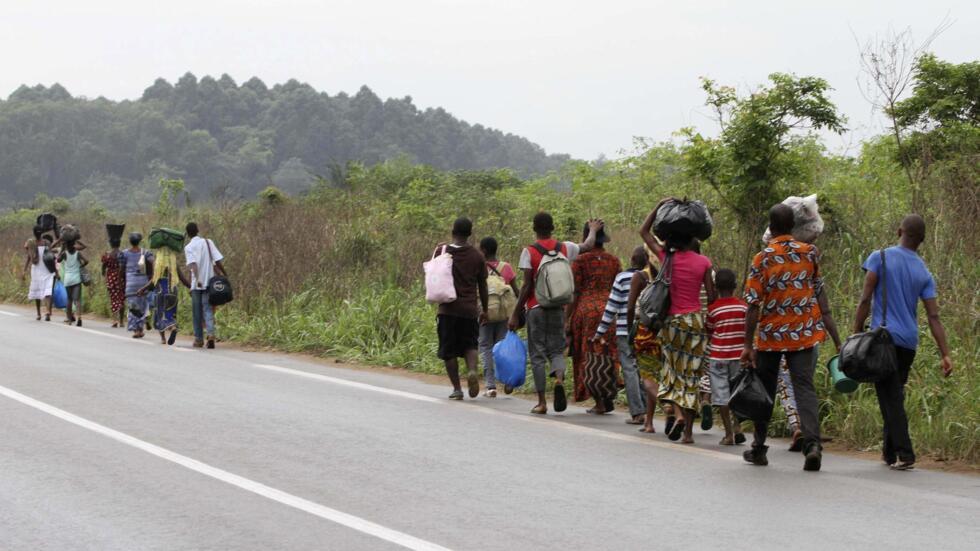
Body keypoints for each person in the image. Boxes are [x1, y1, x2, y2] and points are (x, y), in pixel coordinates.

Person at [852, 214, 953, 471]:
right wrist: (945, 354)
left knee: (891, 397)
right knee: (893, 392)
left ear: (899, 231)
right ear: (922, 241)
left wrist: (856, 332)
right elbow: (933, 316)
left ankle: (905, 453)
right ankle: (888, 453)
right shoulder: (923, 271)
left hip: (883, 340)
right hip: (908, 342)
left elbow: (865, 299)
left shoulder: (880, 257)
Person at [741, 204, 827, 471]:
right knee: (804, 388)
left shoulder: (763, 258)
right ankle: (812, 444)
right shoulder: (810, 253)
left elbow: (753, 305)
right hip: (802, 332)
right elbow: (817, 290)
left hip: (771, 336)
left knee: (764, 392)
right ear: (792, 227)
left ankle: (759, 448)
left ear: (772, 226)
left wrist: (747, 345)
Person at [508, 213, 603, 415]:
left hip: (536, 308)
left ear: (534, 228)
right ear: (552, 227)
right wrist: (593, 229)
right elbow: (587, 246)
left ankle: (542, 402)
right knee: (557, 350)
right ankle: (559, 380)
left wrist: (516, 313)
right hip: (558, 308)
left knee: (537, 355)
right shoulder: (564, 247)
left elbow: (526, 286)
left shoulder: (529, 252)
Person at [639, 204, 715, 444]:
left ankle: (678, 413)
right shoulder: (704, 262)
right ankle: (689, 434)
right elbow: (712, 298)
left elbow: (644, 232)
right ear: (693, 236)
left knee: (672, 373)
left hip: (672, 322)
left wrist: (659, 206)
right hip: (695, 321)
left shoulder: (666, 258)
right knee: (691, 377)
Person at [567, 222, 621, 413]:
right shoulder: (614, 261)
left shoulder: (580, 261)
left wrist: (567, 319)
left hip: (586, 313)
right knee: (607, 353)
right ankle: (608, 396)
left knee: (589, 355)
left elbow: (575, 293)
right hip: (610, 311)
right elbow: (618, 287)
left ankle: (599, 402)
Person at [434, 218, 489, 400]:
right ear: (470, 233)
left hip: (447, 308)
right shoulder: (477, 256)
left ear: (452, 231)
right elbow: (483, 285)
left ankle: (457, 389)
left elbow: (433, 272)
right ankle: (472, 370)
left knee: (448, 350)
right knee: (470, 344)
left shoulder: (442, 251)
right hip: (469, 309)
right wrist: (485, 309)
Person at [594, 246, 648, 424]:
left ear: (631, 260)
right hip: (647, 331)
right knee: (645, 370)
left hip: (626, 330)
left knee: (630, 370)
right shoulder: (652, 278)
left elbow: (612, 307)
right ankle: (649, 410)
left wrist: (599, 332)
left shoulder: (622, 278)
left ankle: (637, 412)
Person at [704, 269, 748, 446]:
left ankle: (729, 434)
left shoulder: (713, 310)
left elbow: (709, 331)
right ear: (736, 286)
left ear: (715, 287)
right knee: (735, 393)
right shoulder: (743, 307)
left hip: (718, 357)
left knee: (722, 396)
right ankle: (737, 428)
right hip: (738, 357)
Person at [478, 236, 519, 398]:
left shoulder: (479, 268)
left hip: (485, 314)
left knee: (486, 348)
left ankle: (490, 386)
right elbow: (516, 291)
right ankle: (508, 380)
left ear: (484, 251)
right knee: (503, 348)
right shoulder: (506, 267)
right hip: (503, 315)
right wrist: (518, 312)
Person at [138, 241, 190, 345]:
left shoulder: (158, 262)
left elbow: (154, 280)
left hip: (161, 290)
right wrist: (191, 287)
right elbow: (182, 278)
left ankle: (163, 339)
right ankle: (173, 327)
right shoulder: (173, 261)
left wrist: (142, 289)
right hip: (173, 291)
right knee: (170, 314)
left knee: (160, 314)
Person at [184, 222, 226, 349]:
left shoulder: (188, 247)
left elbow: (193, 265)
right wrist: (225, 274)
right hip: (210, 282)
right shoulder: (208, 242)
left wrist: (197, 279)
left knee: (197, 312)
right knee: (208, 309)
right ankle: (211, 335)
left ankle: (198, 340)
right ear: (197, 230)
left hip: (197, 285)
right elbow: (217, 260)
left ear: (187, 234)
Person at [120, 233, 154, 338]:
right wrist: (150, 280)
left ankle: (135, 330)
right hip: (142, 283)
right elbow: (151, 267)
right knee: (142, 306)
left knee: (133, 307)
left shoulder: (124, 253)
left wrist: (123, 282)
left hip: (130, 283)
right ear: (139, 241)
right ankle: (140, 329)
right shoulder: (146, 252)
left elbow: (121, 270)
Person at [24, 225, 55, 321]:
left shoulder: (46, 243)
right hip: (37, 270)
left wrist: (55, 270)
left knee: (48, 291)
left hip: (46, 269)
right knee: (38, 293)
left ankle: (47, 312)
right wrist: (24, 270)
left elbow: (51, 257)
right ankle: (39, 313)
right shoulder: (31, 243)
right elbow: (29, 257)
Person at [58, 240, 88, 327]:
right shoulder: (78, 253)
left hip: (68, 279)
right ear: (74, 244)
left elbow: (58, 260)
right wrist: (81, 266)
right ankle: (79, 318)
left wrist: (62, 249)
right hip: (76, 279)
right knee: (77, 299)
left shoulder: (64, 253)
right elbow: (86, 261)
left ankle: (69, 319)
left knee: (69, 299)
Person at [101, 238, 126, 328]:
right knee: (121, 299)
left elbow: (103, 268)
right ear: (119, 244)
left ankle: (115, 320)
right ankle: (122, 321)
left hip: (111, 278)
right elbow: (125, 266)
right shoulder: (122, 254)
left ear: (111, 244)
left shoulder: (107, 255)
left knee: (113, 299)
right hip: (121, 278)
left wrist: (104, 275)